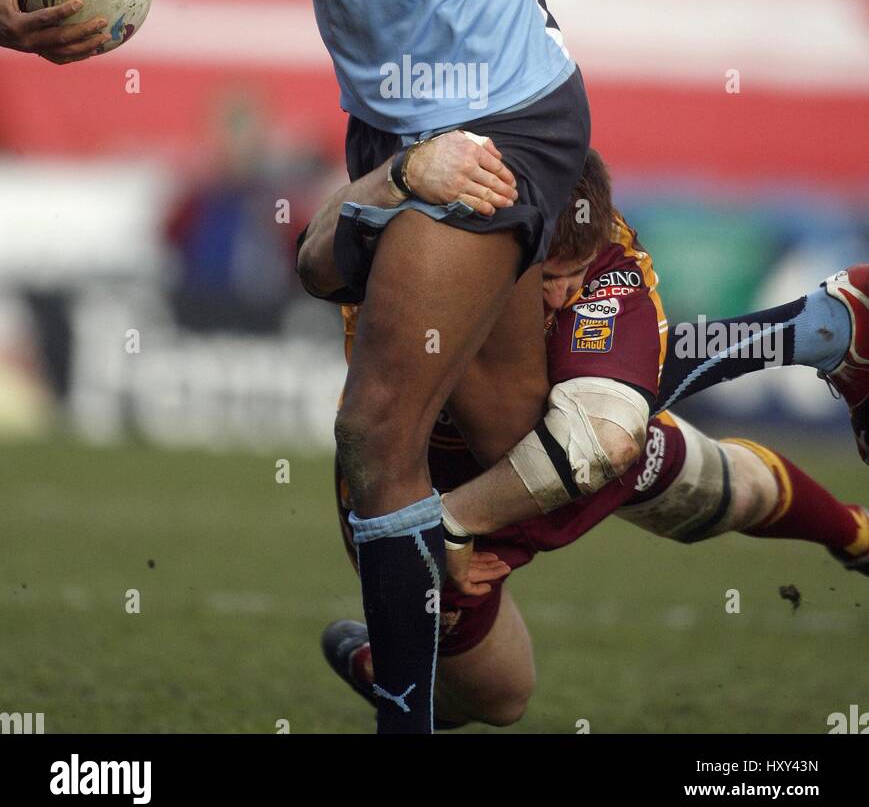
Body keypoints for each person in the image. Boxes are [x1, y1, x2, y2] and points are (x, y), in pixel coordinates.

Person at [2, 0, 866, 733]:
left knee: (375, 429)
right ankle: (819, 329)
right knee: (528, 447)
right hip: (384, 134)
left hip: (513, 119)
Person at [305, 139, 869, 728]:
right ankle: (826, 326)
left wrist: (450, 523)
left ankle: (856, 531)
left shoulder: (610, 255)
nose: (561, 295)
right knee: (499, 700)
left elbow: (603, 440)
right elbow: (314, 263)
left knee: (717, 483)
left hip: (526, 467)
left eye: (573, 276)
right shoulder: (432, 251)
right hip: (413, 476)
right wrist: (394, 178)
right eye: (547, 278)